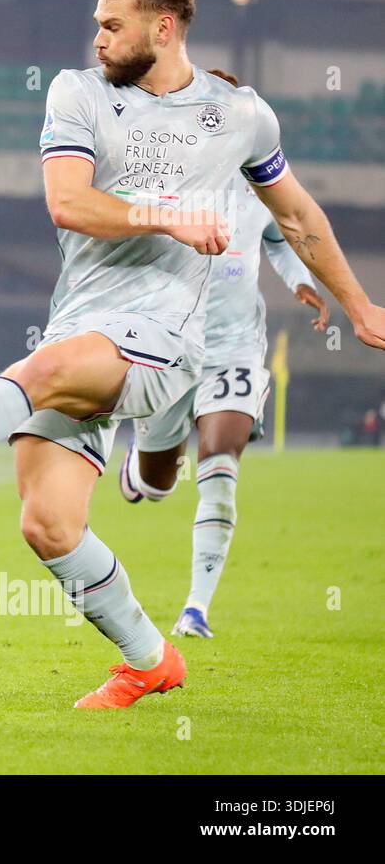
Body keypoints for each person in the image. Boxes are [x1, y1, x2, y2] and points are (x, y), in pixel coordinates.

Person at [0, 0, 385, 709]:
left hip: (166, 334)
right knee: (49, 524)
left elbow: (302, 219)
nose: (99, 36)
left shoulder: (242, 116)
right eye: (97, 23)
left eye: (112, 25)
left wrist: (363, 307)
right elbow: (68, 203)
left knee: (43, 372)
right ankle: (150, 660)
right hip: (82, 320)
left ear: (164, 28)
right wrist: (166, 213)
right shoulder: (77, 93)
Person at [118, 68, 330, 640]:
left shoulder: (262, 189)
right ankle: (141, 473)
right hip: (169, 345)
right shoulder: (164, 180)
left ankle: (196, 608)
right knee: (159, 482)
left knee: (220, 464)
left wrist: (300, 282)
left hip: (235, 347)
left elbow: (282, 240)